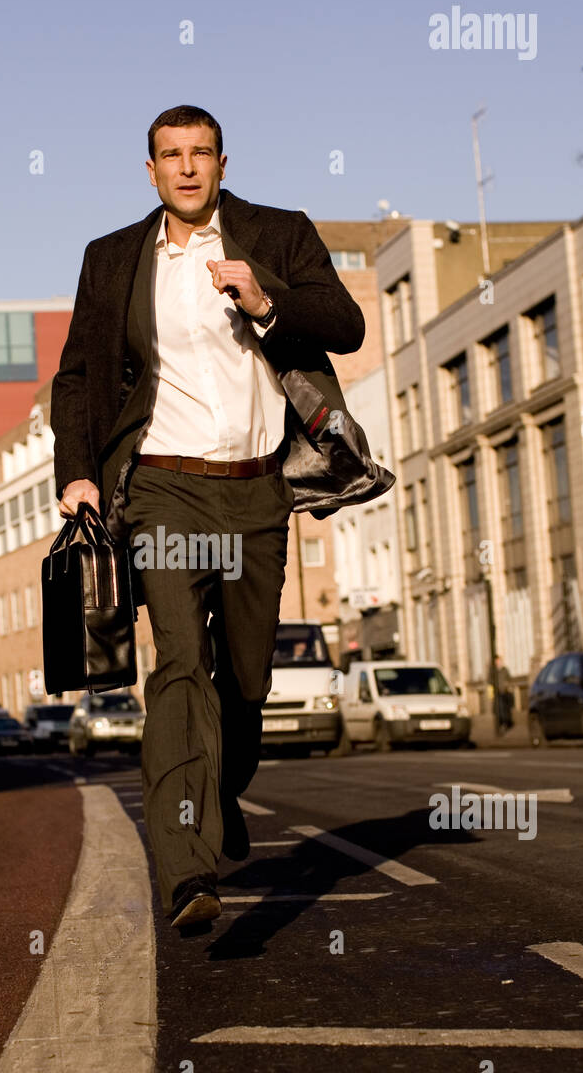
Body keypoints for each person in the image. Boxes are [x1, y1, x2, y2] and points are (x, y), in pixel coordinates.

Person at [51, 104, 392, 930]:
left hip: (255, 489)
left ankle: (218, 790)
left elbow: (345, 327)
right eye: (172, 155)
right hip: (164, 487)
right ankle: (188, 871)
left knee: (244, 680)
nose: (188, 168)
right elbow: (78, 375)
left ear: (223, 163)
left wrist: (267, 299)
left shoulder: (277, 234)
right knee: (176, 666)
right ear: (152, 170)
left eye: (201, 153)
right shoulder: (112, 260)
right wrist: (79, 476)